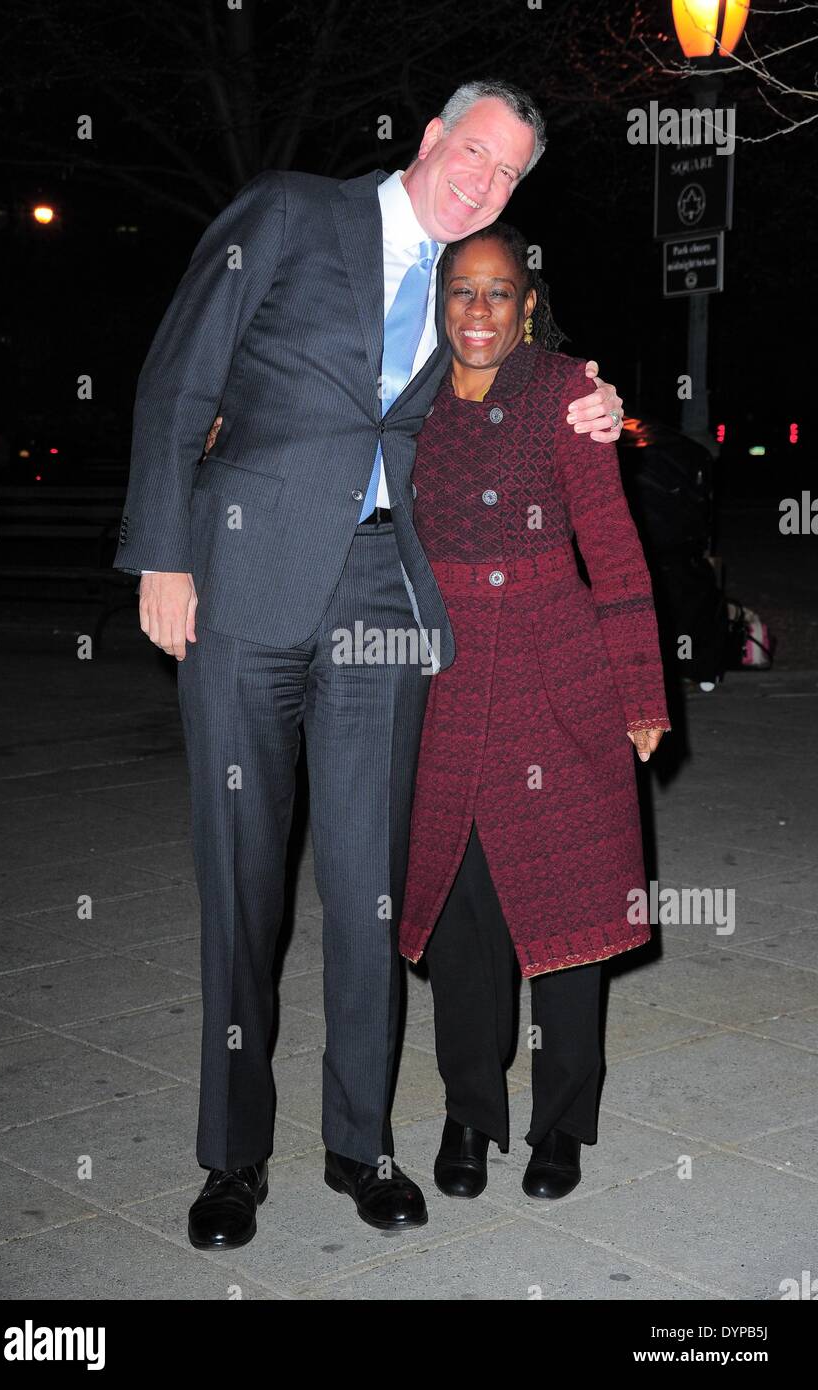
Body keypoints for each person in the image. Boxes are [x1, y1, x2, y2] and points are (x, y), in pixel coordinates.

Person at [114, 79, 626, 1248]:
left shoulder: (465, 289)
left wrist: (594, 403)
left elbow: (520, 368)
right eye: (477, 156)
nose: (484, 185)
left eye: (507, 179)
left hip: (382, 599)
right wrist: (161, 556)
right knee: (243, 886)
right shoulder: (291, 212)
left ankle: (363, 1142)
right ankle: (231, 1158)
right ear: (434, 137)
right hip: (241, 581)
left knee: (369, 888)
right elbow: (176, 374)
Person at [398, 222, 670, 1203]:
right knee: (466, 922)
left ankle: (561, 1126)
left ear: (526, 306)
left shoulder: (563, 396)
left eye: (498, 293)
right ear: (440, 304)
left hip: (560, 673)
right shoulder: (409, 400)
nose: (478, 310)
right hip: (449, 680)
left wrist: (642, 685)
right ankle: (469, 1118)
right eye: (462, 292)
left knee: (569, 916)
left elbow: (614, 546)